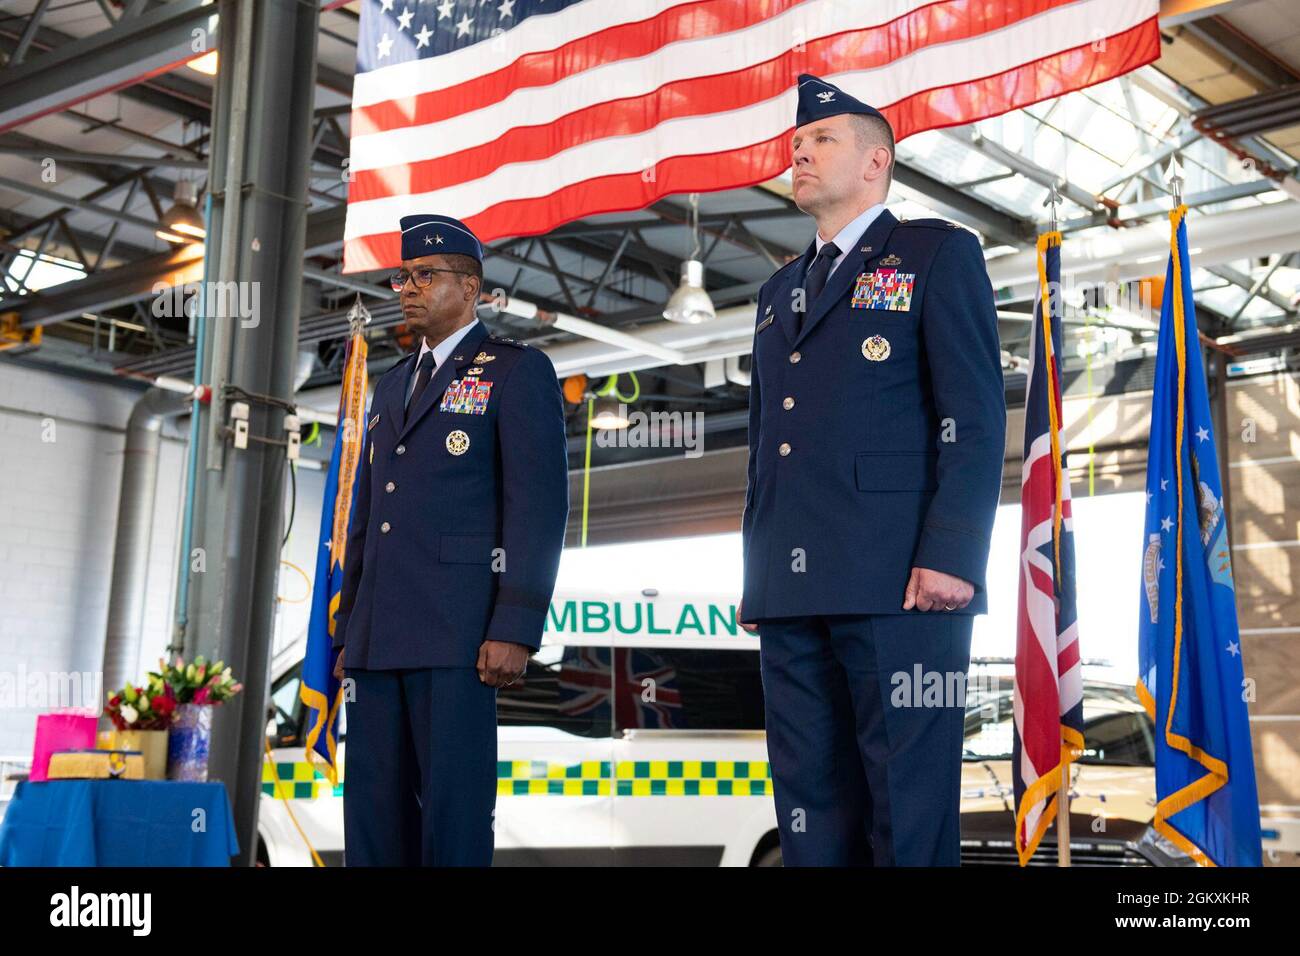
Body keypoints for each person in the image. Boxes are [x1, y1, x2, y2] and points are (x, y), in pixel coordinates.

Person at [737, 75, 1006, 866]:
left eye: (821, 141)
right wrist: (760, 577)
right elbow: (765, 446)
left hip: (903, 584)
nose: (801, 155)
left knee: (906, 811)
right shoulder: (777, 290)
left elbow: (976, 415)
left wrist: (953, 553)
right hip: (793, 593)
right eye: (795, 146)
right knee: (810, 813)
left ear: (876, 162)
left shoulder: (934, 253)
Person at [331, 213, 569, 866]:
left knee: (452, 818)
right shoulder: (388, 386)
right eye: (402, 275)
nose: (408, 286)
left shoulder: (516, 372)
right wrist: (350, 629)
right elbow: (367, 518)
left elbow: (539, 507)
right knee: (373, 823)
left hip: (460, 635)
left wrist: (516, 625)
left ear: (471, 288)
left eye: (425, 274)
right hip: (380, 639)